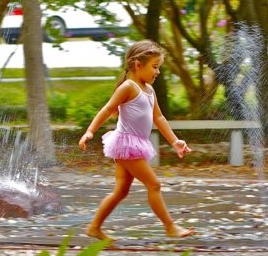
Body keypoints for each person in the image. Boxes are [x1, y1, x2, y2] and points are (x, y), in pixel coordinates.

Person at [79, 40, 195, 241]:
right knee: (154, 184)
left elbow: (158, 117)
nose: (158, 72)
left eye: (158, 67)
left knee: (121, 190)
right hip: (125, 145)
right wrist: (90, 131)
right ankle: (169, 226)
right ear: (137, 65)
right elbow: (107, 109)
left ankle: (94, 228)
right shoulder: (128, 87)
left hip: (135, 145)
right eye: (155, 67)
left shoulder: (149, 90)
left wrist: (174, 141)